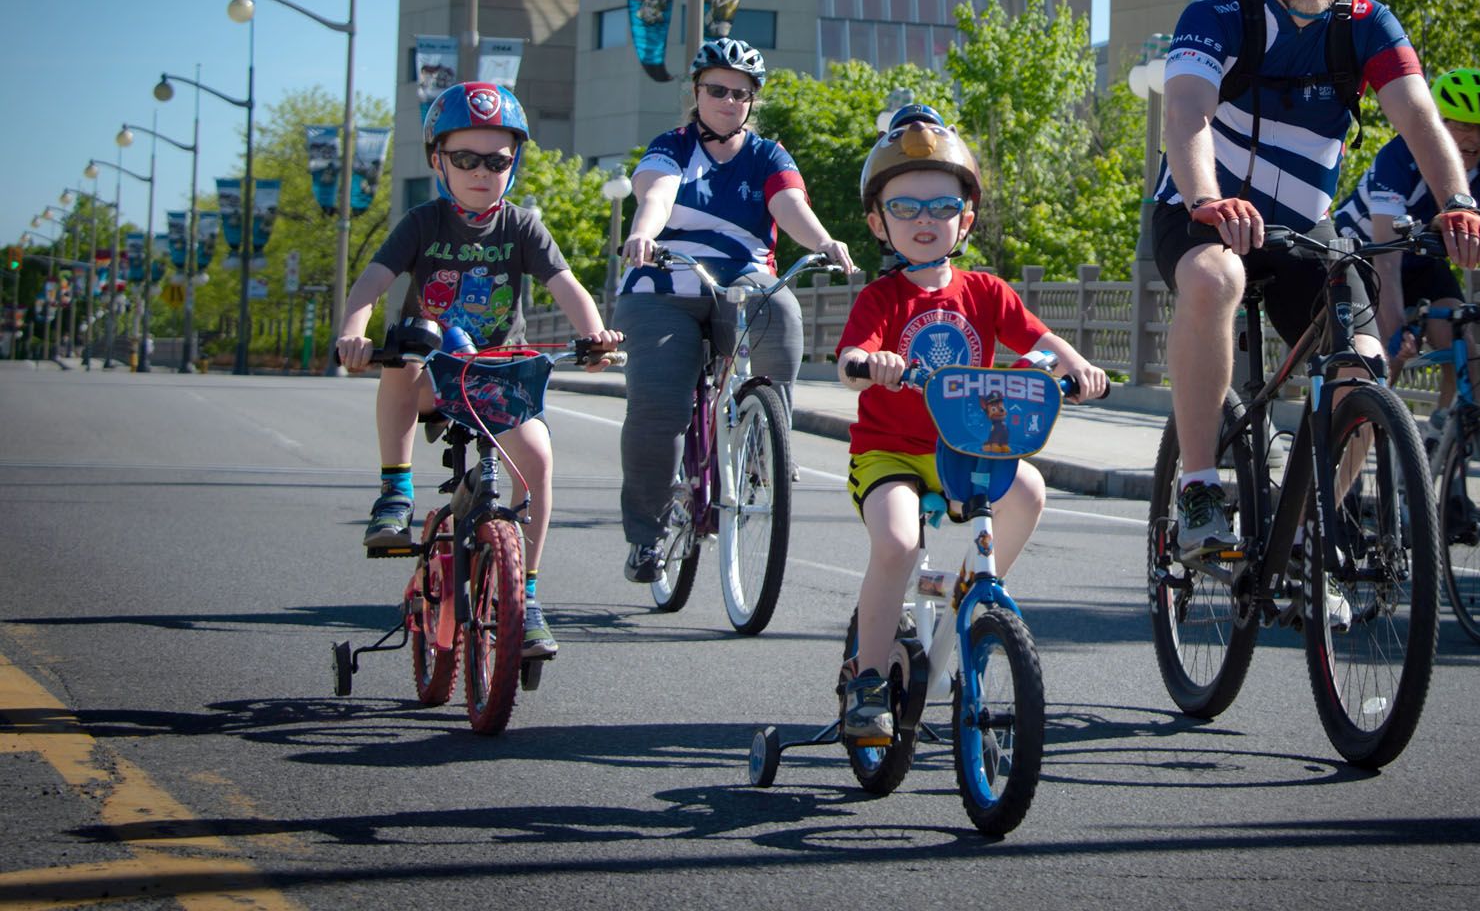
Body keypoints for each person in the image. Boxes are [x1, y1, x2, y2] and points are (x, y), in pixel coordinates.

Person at [1151, 0, 1480, 562]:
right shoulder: (1219, 14)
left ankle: (1308, 530)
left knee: (1364, 372)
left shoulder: (1367, 27)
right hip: (1202, 211)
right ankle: (1198, 489)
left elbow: (1421, 120)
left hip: (1305, 231)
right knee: (1216, 282)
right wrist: (1206, 199)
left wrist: (1458, 200)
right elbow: (1184, 112)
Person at [835, 105, 1108, 741]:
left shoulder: (987, 293)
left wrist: (1081, 370)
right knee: (898, 545)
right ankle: (868, 680)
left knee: (1031, 490)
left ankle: (968, 591)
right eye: (905, 208)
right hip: (890, 455)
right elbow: (849, 363)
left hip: (966, 448)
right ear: (878, 222)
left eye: (941, 206)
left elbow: (1042, 340)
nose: (924, 220)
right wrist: (867, 364)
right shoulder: (882, 299)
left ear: (967, 218)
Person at [335, 81, 622, 662]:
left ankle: (529, 595)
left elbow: (567, 285)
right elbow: (372, 282)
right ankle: (395, 491)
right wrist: (352, 332)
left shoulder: (521, 226)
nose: (481, 172)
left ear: (512, 165)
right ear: (438, 161)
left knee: (538, 460)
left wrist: (594, 336)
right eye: (465, 158)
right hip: (432, 376)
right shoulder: (422, 223)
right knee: (406, 346)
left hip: (495, 376)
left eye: (497, 160)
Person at [613, 38, 857, 583]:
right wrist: (642, 235)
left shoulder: (768, 154)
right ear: (696, 93)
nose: (728, 101)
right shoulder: (670, 146)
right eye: (717, 90)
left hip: (741, 278)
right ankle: (646, 536)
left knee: (782, 313)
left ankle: (766, 443)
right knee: (658, 410)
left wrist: (823, 242)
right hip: (663, 281)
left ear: (753, 101)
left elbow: (789, 205)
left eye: (741, 94)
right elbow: (656, 195)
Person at [1334, 66, 1480, 444]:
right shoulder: (1400, 156)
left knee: (1465, 349)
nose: (1475, 139)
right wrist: (1394, 330)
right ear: (1437, 123)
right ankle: (1351, 443)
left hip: (1422, 258)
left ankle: (1440, 441)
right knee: (1380, 359)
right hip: (1368, 255)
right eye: (1463, 126)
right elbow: (1386, 263)